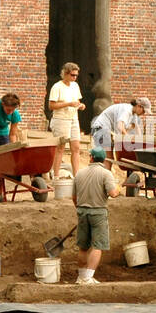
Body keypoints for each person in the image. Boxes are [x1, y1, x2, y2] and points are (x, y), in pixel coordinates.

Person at [72, 147, 120, 285]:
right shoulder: (106, 173)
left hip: (82, 211)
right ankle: (88, 277)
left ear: (91, 158)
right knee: (97, 246)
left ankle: (81, 277)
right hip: (98, 212)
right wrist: (118, 189)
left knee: (83, 246)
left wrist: (81, 209)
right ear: (103, 160)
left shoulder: (79, 173)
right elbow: (113, 193)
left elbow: (74, 197)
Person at [48, 62, 85, 177]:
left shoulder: (75, 86)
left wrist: (80, 105)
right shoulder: (57, 87)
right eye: (72, 75)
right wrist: (68, 104)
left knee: (76, 147)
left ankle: (76, 175)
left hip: (73, 118)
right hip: (61, 119)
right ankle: (56, 175)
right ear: (65, 74)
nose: (74, 78)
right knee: (61, 148)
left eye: (76, 75)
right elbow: (51, 106)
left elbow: (77, 101)